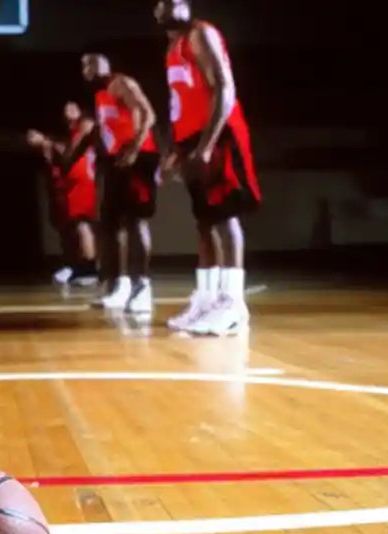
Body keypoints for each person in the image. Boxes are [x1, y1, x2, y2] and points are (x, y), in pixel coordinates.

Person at [157, 0, 262, 336]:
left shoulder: (200, 34)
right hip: (192, 139)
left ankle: (233, 304)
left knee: (225, 215)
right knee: (204, 222)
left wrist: (207, 144)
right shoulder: (172, 48)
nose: (171, 4)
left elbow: (225, 87)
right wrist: (177, 148)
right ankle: (206, 298)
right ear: (155, 12)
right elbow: (180, 104)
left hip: (217, 134)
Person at [70, 53, 160, 313]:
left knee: (135, 221)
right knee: (109, 225)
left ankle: (142, 287)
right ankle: (119, 286)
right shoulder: (100, 96)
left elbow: (147, 114)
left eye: (91, 64)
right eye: (83, 65)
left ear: (105, 65)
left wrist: (134, 147)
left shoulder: (122, 84)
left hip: (137, 157)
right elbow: (107, 129)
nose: (86, 69)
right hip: (114, 161)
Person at [27, 101, 99, 287]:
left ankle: (89, 268)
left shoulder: (85, 125)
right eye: (66, 107)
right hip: (69, 181)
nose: (69, 109)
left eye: (74, 107)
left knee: (82, 223)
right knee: (69, 225)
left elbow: (69, 153)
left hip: (81, 180)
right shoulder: (67, 133)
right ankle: (75, 265)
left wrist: (45, 142)